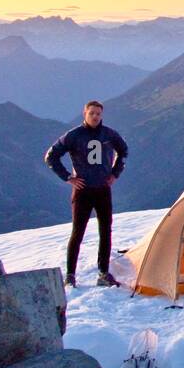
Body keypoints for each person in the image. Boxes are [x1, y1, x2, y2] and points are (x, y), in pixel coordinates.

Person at [44, 100, 129, 288]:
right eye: (92, 113)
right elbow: (51, 156)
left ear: (102, 115)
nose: (95, 116)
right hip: (82, 190)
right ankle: (70, 275)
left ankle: (103, 273)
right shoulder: (74, 135)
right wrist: (67, 177)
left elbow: (124, 151)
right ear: (85, 113)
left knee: (105, 231)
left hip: (102, 189)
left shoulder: (109, 134)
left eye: (98, 113)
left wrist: (115, 173)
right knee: (78, 232)